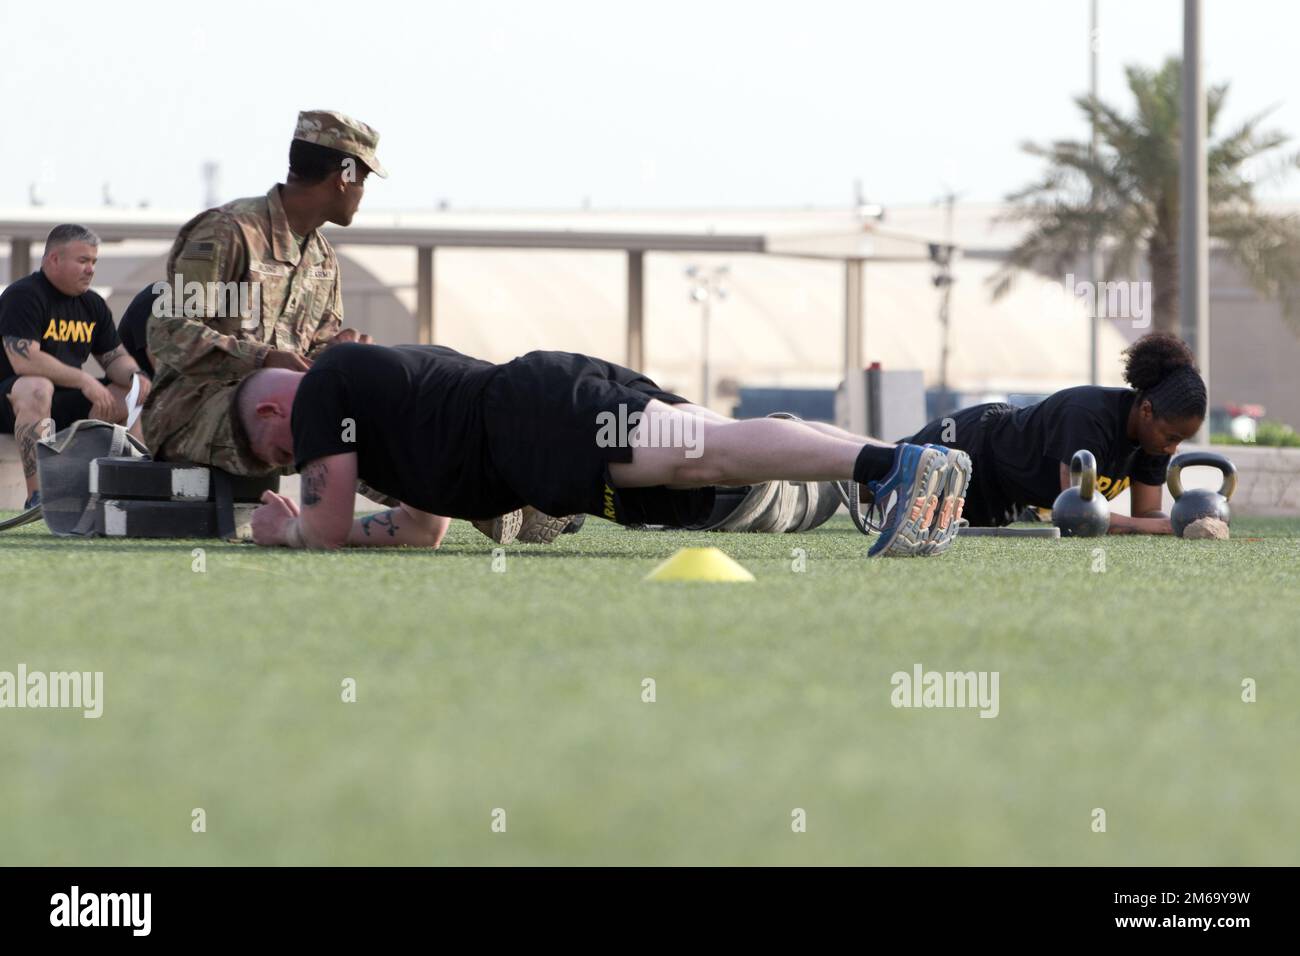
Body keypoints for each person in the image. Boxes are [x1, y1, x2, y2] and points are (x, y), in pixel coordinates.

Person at [228, 343, 973, 558]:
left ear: (273, 407)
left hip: (535, 417)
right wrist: (333, 526)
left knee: (706, 454)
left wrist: (286, 527)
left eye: (276, 449)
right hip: (541, 416)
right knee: (719, 454)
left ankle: (890, 466)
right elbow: (423, 530)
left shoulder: (325, 382)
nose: (290, 463)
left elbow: (320, 530)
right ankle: (907, 459)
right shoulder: (391, 434)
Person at [142, 109, 383, 476]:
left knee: (373, 410)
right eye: (363, 178)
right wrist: (263, 359)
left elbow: (309, 355)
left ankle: (461, 500)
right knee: (317, 416)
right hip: (190, 413)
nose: (362, 193)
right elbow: (167, 331)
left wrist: (338, 354)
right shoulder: (228, 231)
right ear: (343, 178)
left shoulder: (322, 259)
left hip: (281, 407)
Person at [902, 331, 1205, 533]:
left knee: (888, 485)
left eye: (1179, 440)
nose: (1173, 448)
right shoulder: (1087, 416)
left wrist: (1186, 525)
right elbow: (1078, 514)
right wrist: (1158, 528)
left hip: (1004, 496)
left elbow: (1148, 513)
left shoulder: (1154, 442)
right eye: (1171, 437)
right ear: (1147, 411)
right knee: (878, 475)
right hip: (972, 446)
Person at [1, 225, 148, 508]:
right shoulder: (23, 295)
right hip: (11, 401)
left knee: (126, 394)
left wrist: (136, 377)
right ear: (54, 259)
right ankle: (38, 497)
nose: (90, 269)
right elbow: (24, 360)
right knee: (37, 387)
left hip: (61, 402)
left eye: (94, 262)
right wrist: (84, 381)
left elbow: (114, 357)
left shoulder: (92, 304)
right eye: (83, 261)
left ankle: (131, 489)